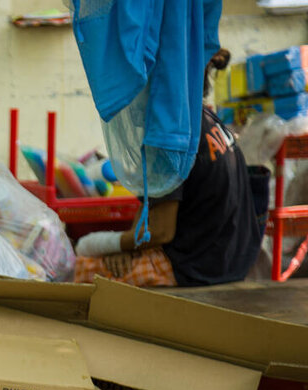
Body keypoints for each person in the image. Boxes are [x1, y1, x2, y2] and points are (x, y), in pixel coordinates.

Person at [74, 49, 264, 287]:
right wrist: (130, 246)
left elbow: (159, 231)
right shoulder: (204, 118)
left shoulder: (170, 135)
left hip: (196, 267)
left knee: (79, 271)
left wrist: (94, 244)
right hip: (232, 261)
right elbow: (152, 209)